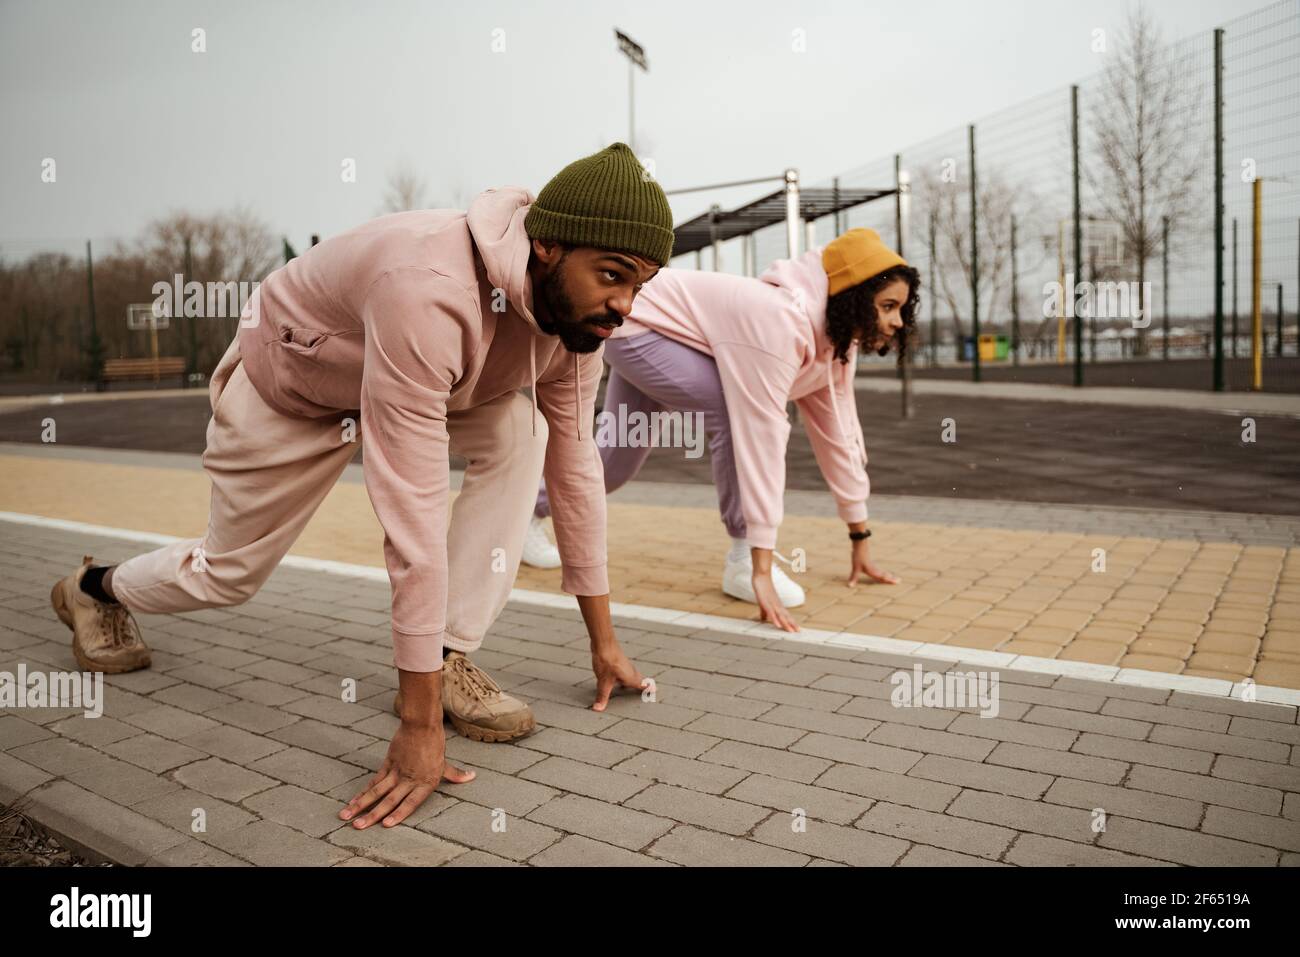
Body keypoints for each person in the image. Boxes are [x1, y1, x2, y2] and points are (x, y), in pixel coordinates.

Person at [48, 143, 673, 829]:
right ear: (548, 247)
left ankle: (446, 651)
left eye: (639, 286)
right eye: (613, 276)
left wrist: (603, 640)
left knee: (525, 433)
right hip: (289, 387)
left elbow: (576, 470)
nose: (624, 306)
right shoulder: (430, 286)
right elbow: (412, 508)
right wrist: (415, 724)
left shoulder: (576, 325)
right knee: (226, 575)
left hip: (422, 380)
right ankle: (92, 587)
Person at [525, 228, 918, 631]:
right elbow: (761, 432)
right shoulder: (782, 320)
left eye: (901, 311)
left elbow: (838, 434)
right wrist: (760, 564)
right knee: (735, 413)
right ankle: (742, 560)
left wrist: (860, 536)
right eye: (887, 306)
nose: (896, 323)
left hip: (665, 335)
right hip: (637, 321)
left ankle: (524, 513)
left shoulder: (836, 350)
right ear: (853, 297)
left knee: (616, 462)